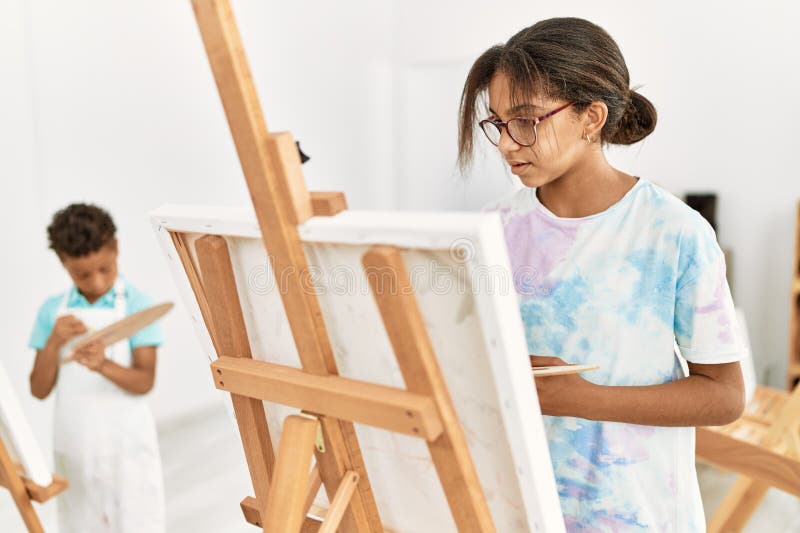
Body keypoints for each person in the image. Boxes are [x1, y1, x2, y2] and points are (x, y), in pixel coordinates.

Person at [458, 18, 745, 531]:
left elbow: (724, 396)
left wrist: (582, 401)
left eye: (525, 120)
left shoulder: (673, 231)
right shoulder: (489, 231)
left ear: (591, 117)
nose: (505, 144)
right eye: (498, 123)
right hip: (517, 509)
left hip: (637, 515)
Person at [28, 203, 165, 533]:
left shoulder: (138, 306)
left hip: (127, 446)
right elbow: (39, 389)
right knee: (80, 523)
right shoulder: (52, 312)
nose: (97, 282)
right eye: (83, 275)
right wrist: (53, 344)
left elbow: (144, 381)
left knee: (136, 521)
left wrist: (103, 365)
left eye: (105, 268)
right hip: (75, 445)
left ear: (116, 248)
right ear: (63, 263)